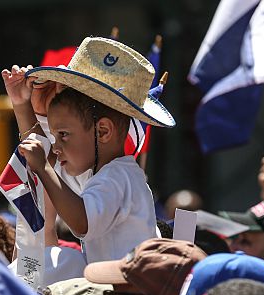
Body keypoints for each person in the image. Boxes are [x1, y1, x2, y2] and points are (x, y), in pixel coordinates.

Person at [18, 36, 172, 264]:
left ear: (103, 132)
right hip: (113, 289)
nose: (56, 147)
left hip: (124, 292)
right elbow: (48, 156)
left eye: (63, 135)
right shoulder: (97, 172)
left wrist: (42, 167)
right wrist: (24, 106)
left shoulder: (118, 176)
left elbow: (82, 222)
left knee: (60, 263)